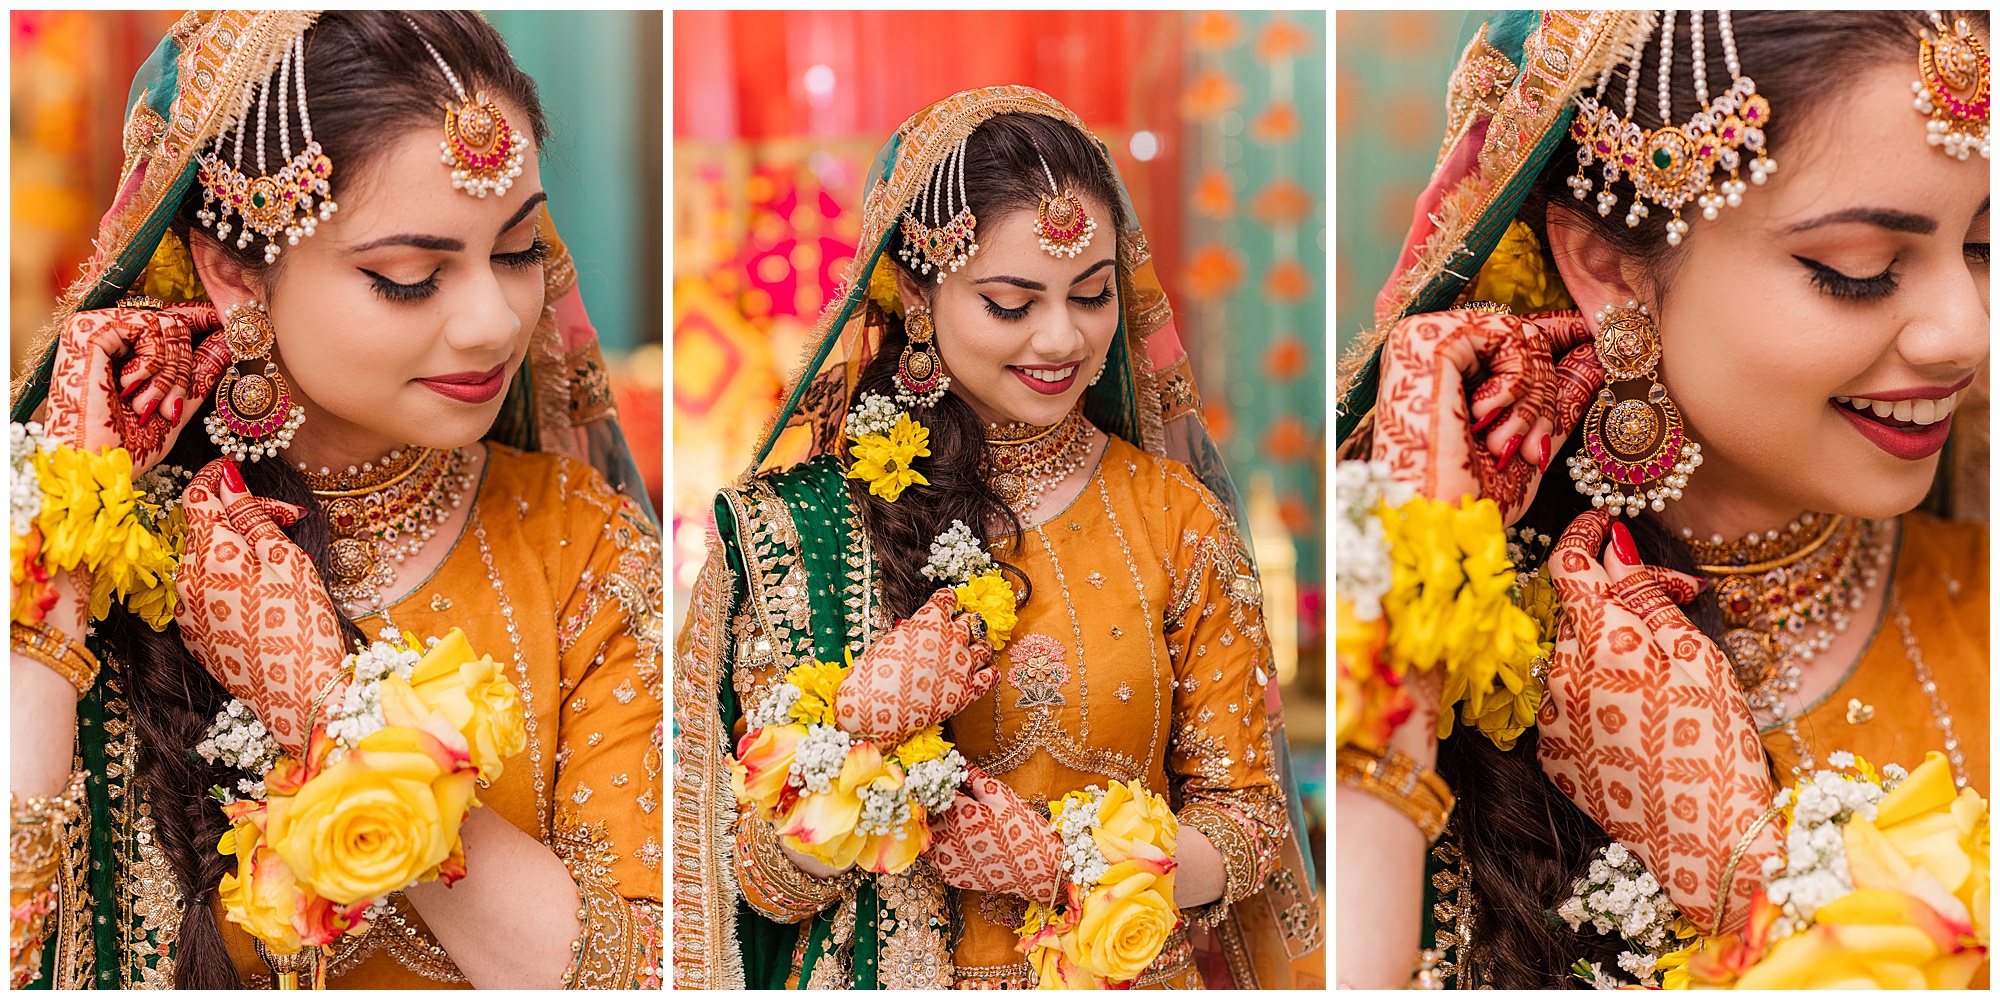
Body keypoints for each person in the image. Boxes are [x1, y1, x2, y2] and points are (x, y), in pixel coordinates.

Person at [1333, 9, 1988, 989]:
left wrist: (1735, 882)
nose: (1963, 334)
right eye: (1857, 270)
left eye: (1984, 245)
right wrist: (1410, 618)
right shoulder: (1481, 682)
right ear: (1611, 272)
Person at [8, 11, 662, 989]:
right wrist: (57, 576)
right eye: (408, 277)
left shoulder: (581, 543)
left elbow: (651, 971)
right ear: (234, 273)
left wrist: (330, 704)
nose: (492, 320)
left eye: (518, 250)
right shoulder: (97, 537)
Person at [672, 85, 1322, 989]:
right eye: (1013, 304)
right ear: (916, 293)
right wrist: (860, 725)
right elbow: (761, 887)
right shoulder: (800, 526)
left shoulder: (1176, 518)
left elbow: (1249, 825)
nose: (1063, 338)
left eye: (1092, 296)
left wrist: (1066, 863)